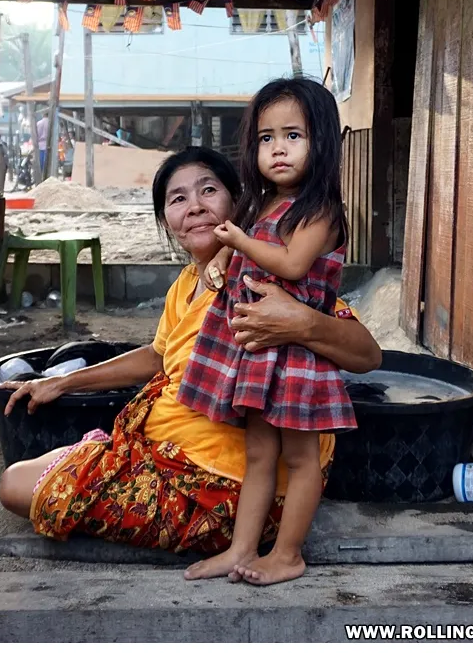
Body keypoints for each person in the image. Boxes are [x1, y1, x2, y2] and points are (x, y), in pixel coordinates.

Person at [0, 146, 381, 565]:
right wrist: (62, 381)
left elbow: (367, 354)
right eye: (178, 199)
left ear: (239, 204)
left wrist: (303, 323)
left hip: (223, 483)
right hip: (163, 449)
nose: (195, 207)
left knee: (16, 485)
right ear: (166, 222)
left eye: (208, 191)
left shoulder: (264, 279)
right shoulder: (185, 285)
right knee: (39, 465)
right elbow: (159, 357)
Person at [177, 78, 354, 585]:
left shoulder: (319, 211)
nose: (277, 148)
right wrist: (222, 259)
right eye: (265, 138)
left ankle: (288, 553)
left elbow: (294, 265)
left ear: (322, 142)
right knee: (260, 453)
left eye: (293, 135)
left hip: (297, 351)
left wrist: (234, 241)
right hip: (258, 350)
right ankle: (241, 548)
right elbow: (241, 247)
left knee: (300, 459)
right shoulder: (262, 206)